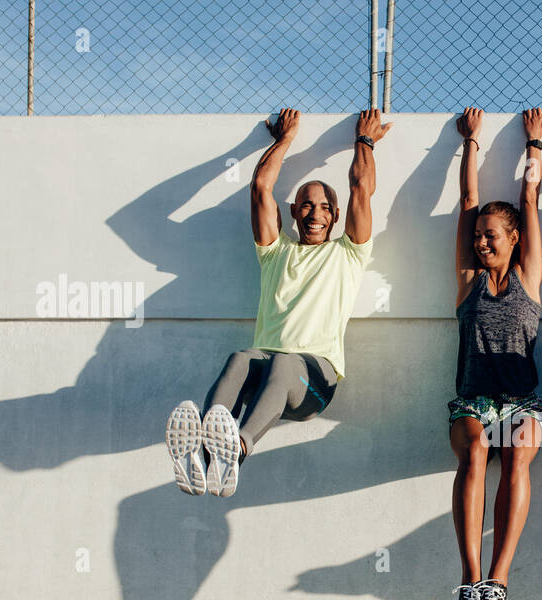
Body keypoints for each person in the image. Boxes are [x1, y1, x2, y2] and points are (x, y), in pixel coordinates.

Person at [163, 107, 390, 496]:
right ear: (293, 213)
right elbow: (260, 188)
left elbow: (360, 189)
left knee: (285, 361)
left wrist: (364, 141)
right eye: (305, 204)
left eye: (323, 207)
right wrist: (283, 140)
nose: (314, 214)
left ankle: (238, 448)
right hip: (266, 371)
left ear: (336, 216)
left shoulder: (348, 253)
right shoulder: (274, 252)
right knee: (240, 357)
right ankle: (204, 458)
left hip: (315, 383)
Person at [448, 107, 542, 600]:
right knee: (478, 450)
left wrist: (534, 146)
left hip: (523, 400)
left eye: (493, 235)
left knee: (516, 455)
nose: (482, 241)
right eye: (479, 235)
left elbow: (530, 199)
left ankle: (498, 584)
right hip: (471, 400)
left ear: (513, 240)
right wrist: (471, 144)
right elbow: (467, 202)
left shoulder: (529, 277)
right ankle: (469, 582)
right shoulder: (469, 279)